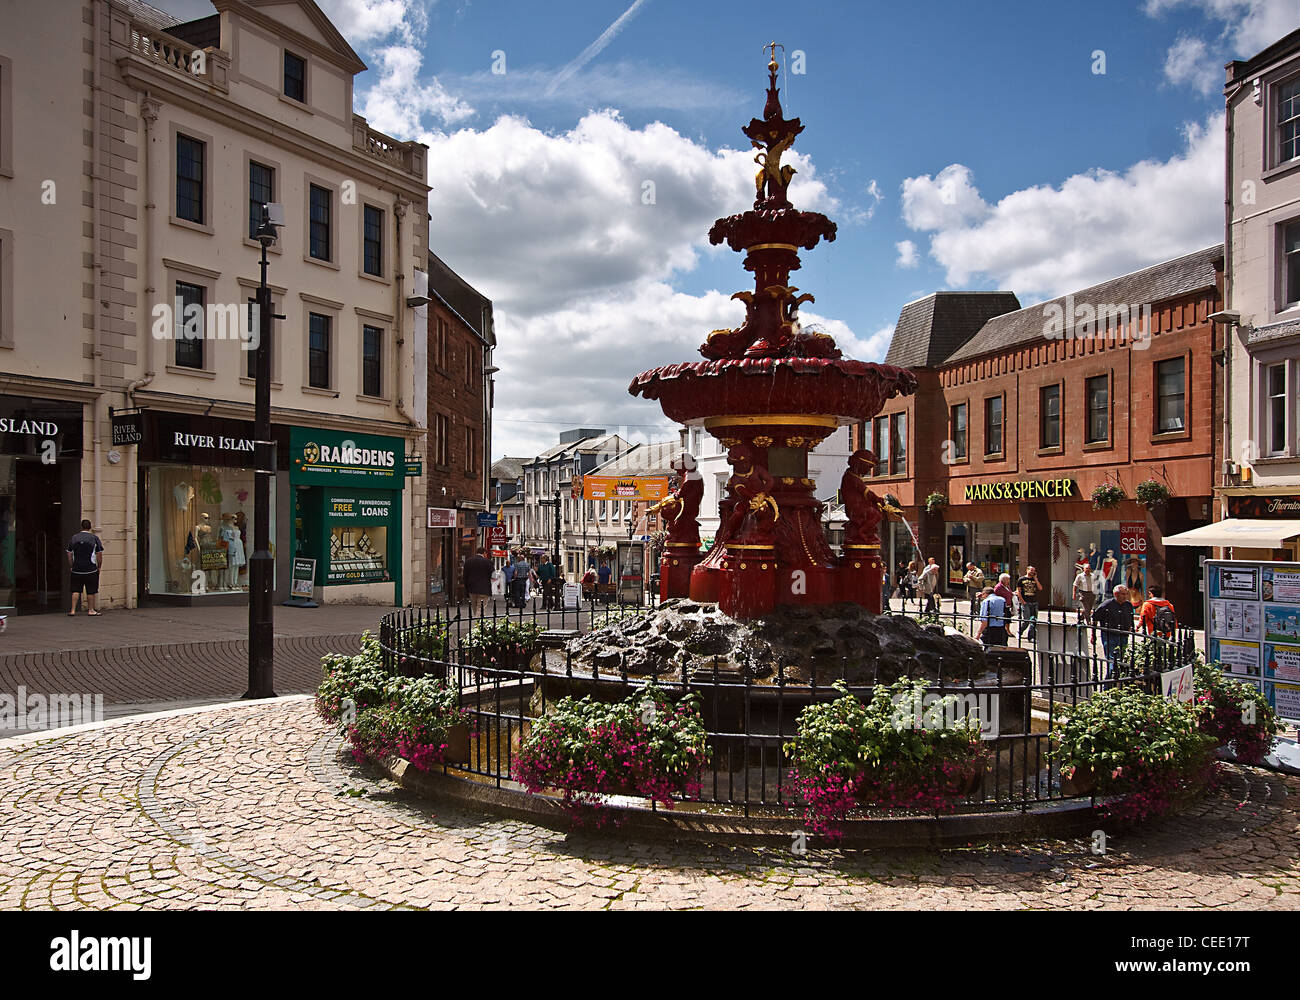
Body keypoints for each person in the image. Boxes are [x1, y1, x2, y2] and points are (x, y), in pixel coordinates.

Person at [1093, 584, 1135, 678]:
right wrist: (1093, 635)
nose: (1125, 596)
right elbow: (1095, 618)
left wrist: (1130, 628)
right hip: (1110, 636)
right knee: (1113, 661)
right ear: (1116, 594)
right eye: (1123, 594)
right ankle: (1108, 685)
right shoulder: (1106, 605)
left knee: (1120, 661)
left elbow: (1130, 619)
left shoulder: (1128, 605)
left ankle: (1113, 683)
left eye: (1126, 594)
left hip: (1123, 636)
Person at [67, 519, 104, 616]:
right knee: (90, 590)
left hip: (76, 569)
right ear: (90, 527)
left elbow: (69, 553)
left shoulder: (74, 538)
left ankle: (73, 610)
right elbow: (99, 554)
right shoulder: (94, 538)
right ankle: (91, 610)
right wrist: (99, 566)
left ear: (81, 526)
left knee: (75, 590)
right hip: (90, 569)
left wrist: (71, 565)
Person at [463, 547, 493, 616]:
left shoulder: (468, 561)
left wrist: (466, 587)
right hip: (484, 589)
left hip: (472, 588)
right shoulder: (488, 562)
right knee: (481, 608)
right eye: (486, 553)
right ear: (484, 553)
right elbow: (493, 575)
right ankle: (478, 624)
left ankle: (476, 621)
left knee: (475, 607)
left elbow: (465, 576)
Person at [1016, 566, 1042, 642]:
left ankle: (1031, 636)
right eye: (1031, 570)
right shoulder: (1021, 579)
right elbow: (1018, 591)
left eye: (1034, 570)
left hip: (1034, 602)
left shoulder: (1034, 580)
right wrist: (1022, 601)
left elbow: (1040, 588)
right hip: (1026, 602)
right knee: (1026, 620)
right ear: (1027, 570)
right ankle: (1020, 631)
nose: (1032, 572)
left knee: (1033, 620)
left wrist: (1036, 579)